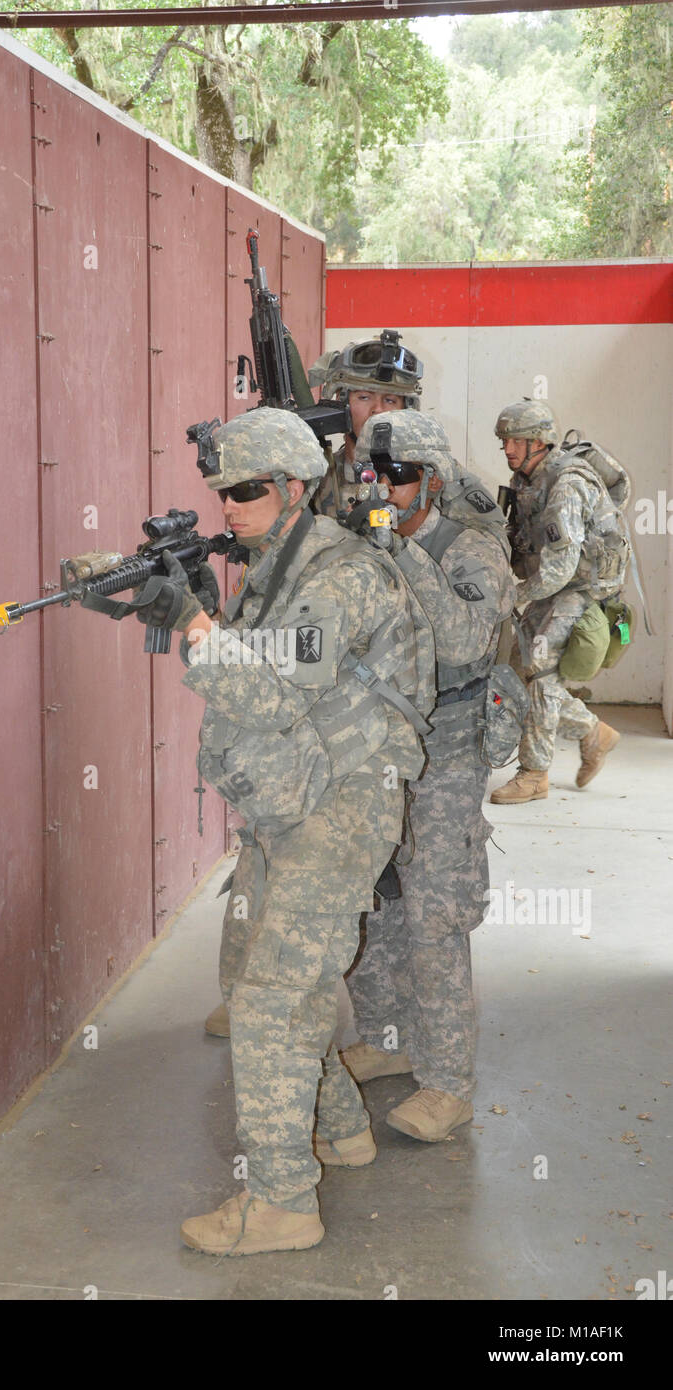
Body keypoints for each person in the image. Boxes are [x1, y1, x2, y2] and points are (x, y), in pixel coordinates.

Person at [128, 407, 431, 1254]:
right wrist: (156, 608)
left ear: (295, 489)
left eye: (250, 489)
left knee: (269, 1002)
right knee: (257, 970)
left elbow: (268, 691)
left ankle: (281, 1202)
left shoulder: (339, 577)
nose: (231, 505)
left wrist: (190, 624)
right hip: (293, 800)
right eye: (224, 489)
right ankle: (339, 1129)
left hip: (343, 807)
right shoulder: (275, 563)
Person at [332, 411, 515, 1140]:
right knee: (375, 900)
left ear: (432, 481)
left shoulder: (469, 548)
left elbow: (465, 638)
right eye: (372, 475)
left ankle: (446, 1082)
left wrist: (398, 552)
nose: (382, 488)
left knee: (434, 913)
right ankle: (385, 1041)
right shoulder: (361, 540)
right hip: (374, 742)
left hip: (445, 748)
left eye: (398, 476)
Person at [489, 399, 621, 805]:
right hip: (553, 585)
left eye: (517, 440)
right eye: (505, 441)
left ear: (540, 442)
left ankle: (534, 775)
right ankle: (591, 731)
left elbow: (561, 568)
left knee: (538, 666)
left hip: (582, 587)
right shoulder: (527, 479)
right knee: (519, 671)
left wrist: (513, 596)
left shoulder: (567, 484)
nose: (508, 449)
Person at [309, 329, 424, 515]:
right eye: (364, 397)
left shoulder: (427, 477)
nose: (377, 409)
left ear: (406, 410)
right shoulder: (315, 478)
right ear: (342, 403)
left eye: (390, 400)